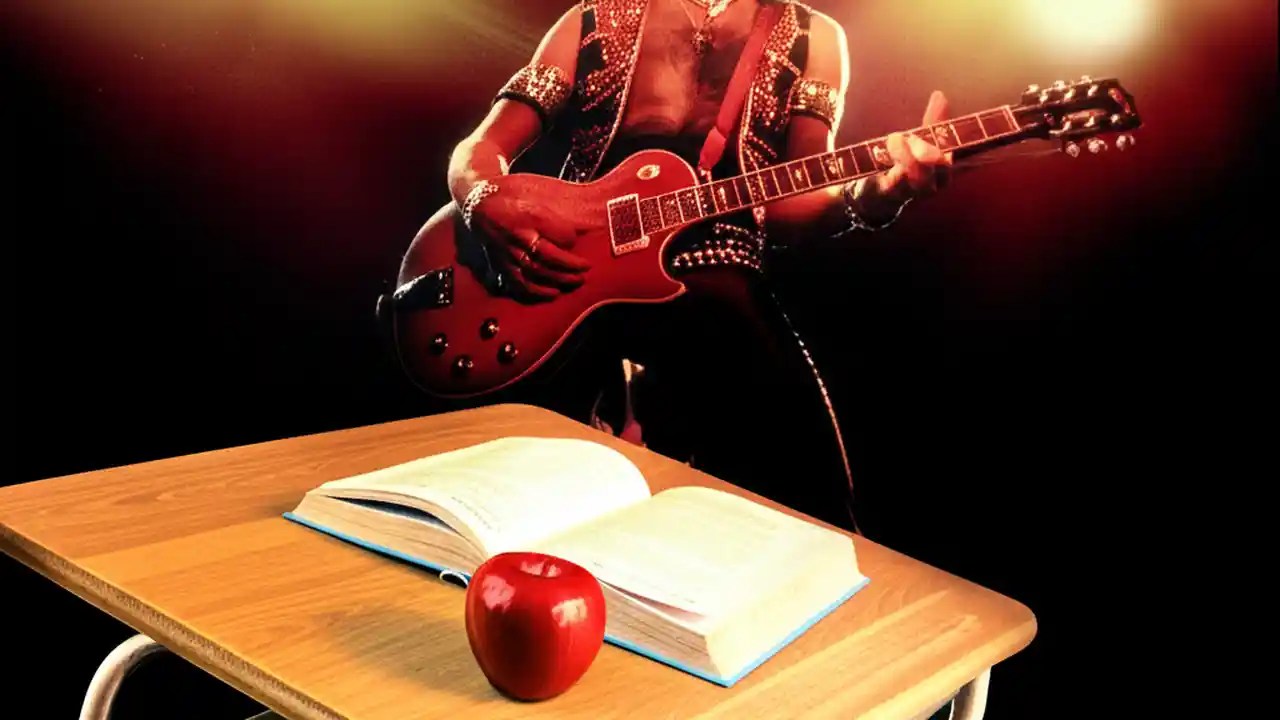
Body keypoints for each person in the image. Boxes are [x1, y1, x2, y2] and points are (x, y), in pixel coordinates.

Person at [444, 0, 952, 533]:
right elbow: (481, 146)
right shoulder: (593, 18)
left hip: (718, 274)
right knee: (488, 500)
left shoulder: (812, 36)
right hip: (567, 273)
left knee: (809, 506)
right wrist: (479, 196)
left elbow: (790, 202)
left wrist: (879, 192)